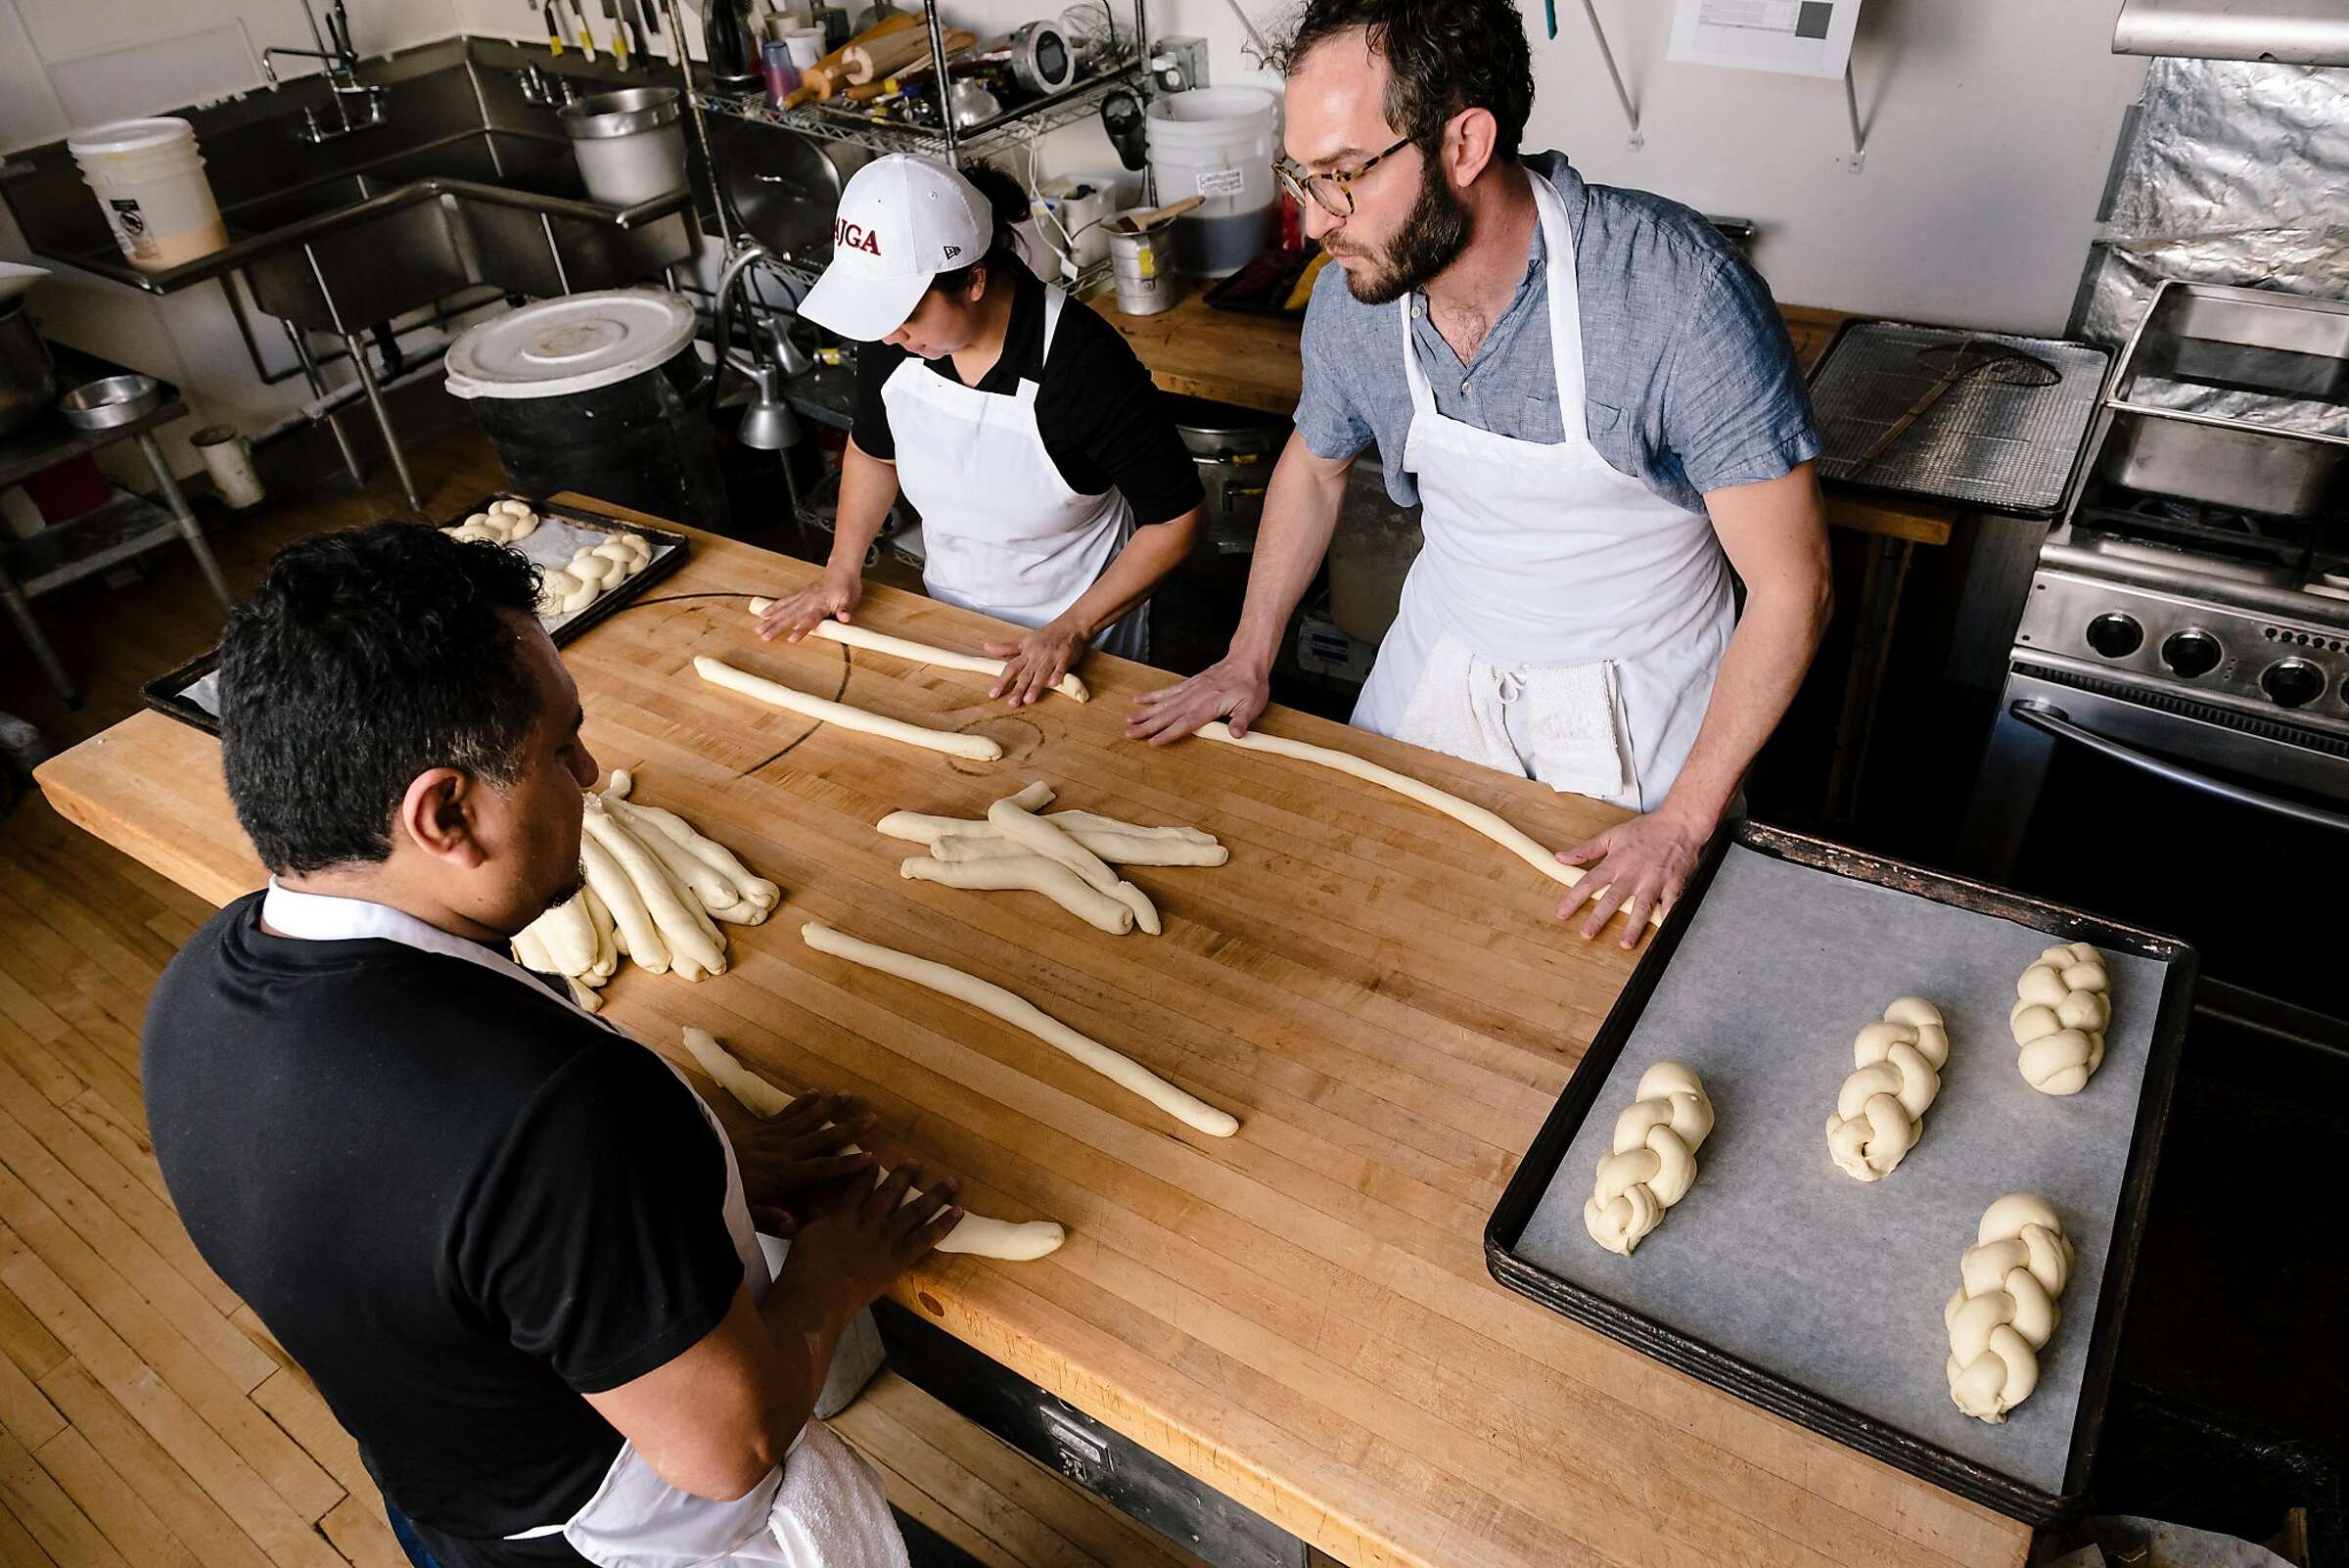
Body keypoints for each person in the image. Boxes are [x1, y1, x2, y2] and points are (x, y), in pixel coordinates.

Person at [143, 524, 959, 1568]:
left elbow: (429, 1233)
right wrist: (839, 1272)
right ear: (442, 813)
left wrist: (687, 1184)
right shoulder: (559, 1112)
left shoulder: (198, 989)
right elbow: (729, 1447)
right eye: (558, 746)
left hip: (446, 1507)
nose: (590, 768)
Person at [1128, 0, 1833, 945]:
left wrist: (1682, 820)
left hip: (1642, 717)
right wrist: (1251, 653)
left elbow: (1794, 587)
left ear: (1464, 143)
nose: (1315, 217)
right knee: (1375, 936)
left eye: (1342, 175)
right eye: (1302, 174)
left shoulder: (1674, 295)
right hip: (1443, 673)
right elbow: (1315, 462)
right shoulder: (1360, 291)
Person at [760, 154, 1206, 705]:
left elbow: (1176, 518)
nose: (888, 334)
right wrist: (841, 568)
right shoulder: (895, 341)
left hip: (1080, 640)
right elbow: (876, 454)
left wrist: (1074, 628)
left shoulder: (1083, 366)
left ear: (973, 280)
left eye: (905, 315)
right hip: (947, 616)